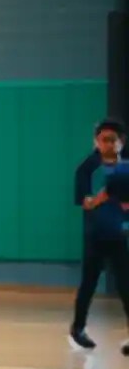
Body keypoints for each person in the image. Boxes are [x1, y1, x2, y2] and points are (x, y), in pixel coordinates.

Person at [69, 118, 129, 355]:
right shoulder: (87, 168)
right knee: (89, 284)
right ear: (96, 141)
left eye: (113, 140)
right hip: (95, 236)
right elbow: (85, 203)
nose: (108, 144)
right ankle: (78, 329)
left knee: (125, 285)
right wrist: (103, 196)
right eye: (104, 140)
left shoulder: (125, 168)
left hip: (119, 235)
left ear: (121, 142)